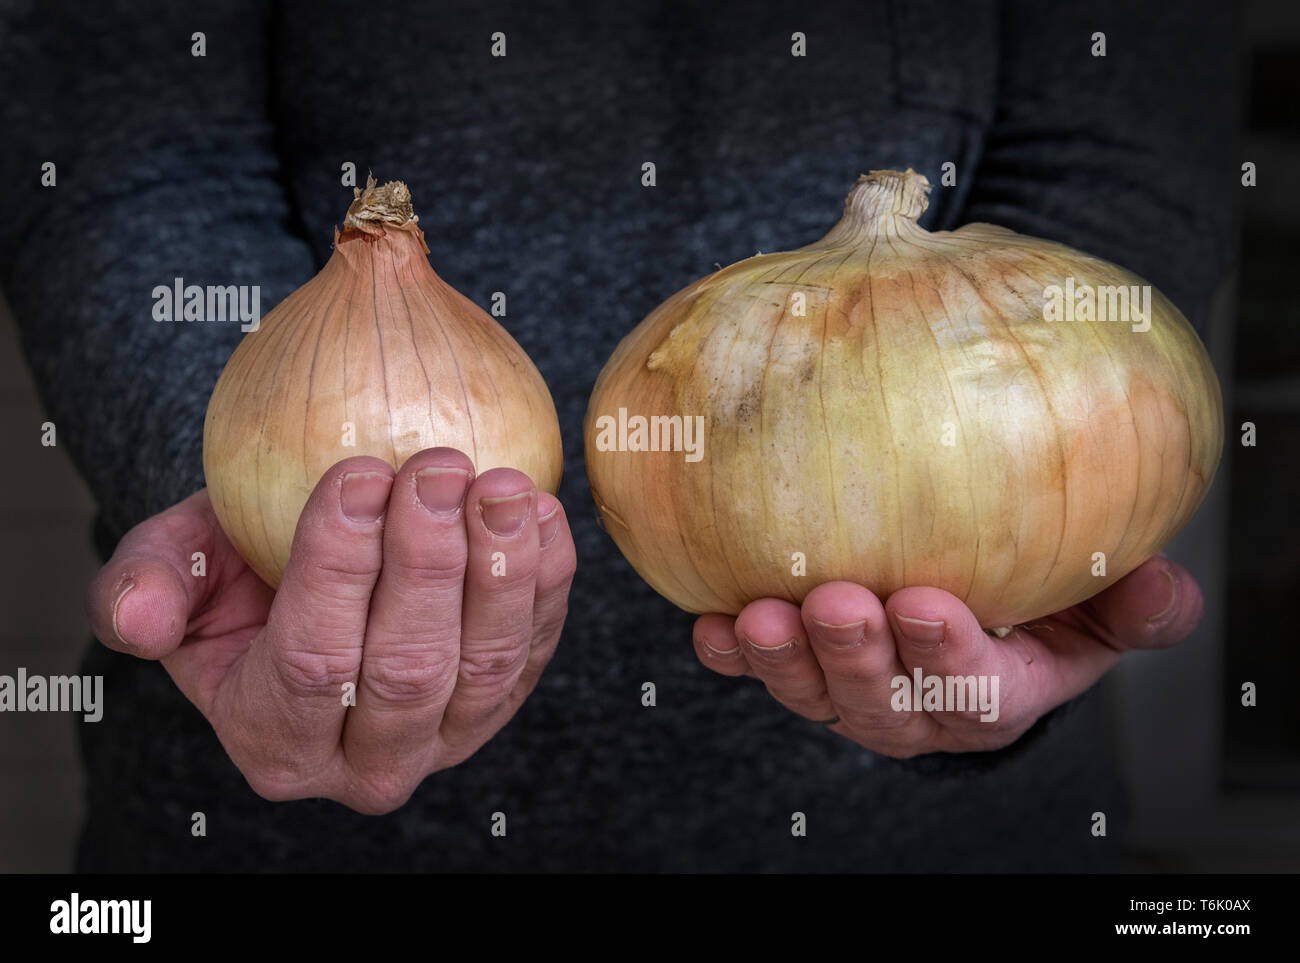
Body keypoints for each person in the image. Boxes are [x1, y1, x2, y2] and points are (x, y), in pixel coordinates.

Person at [0, 0, 1238, 871]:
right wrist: (225, 490)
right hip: (269, 784)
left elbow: (1115, 156)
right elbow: (124, 165)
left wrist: (1035, 540)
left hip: (942, 846)